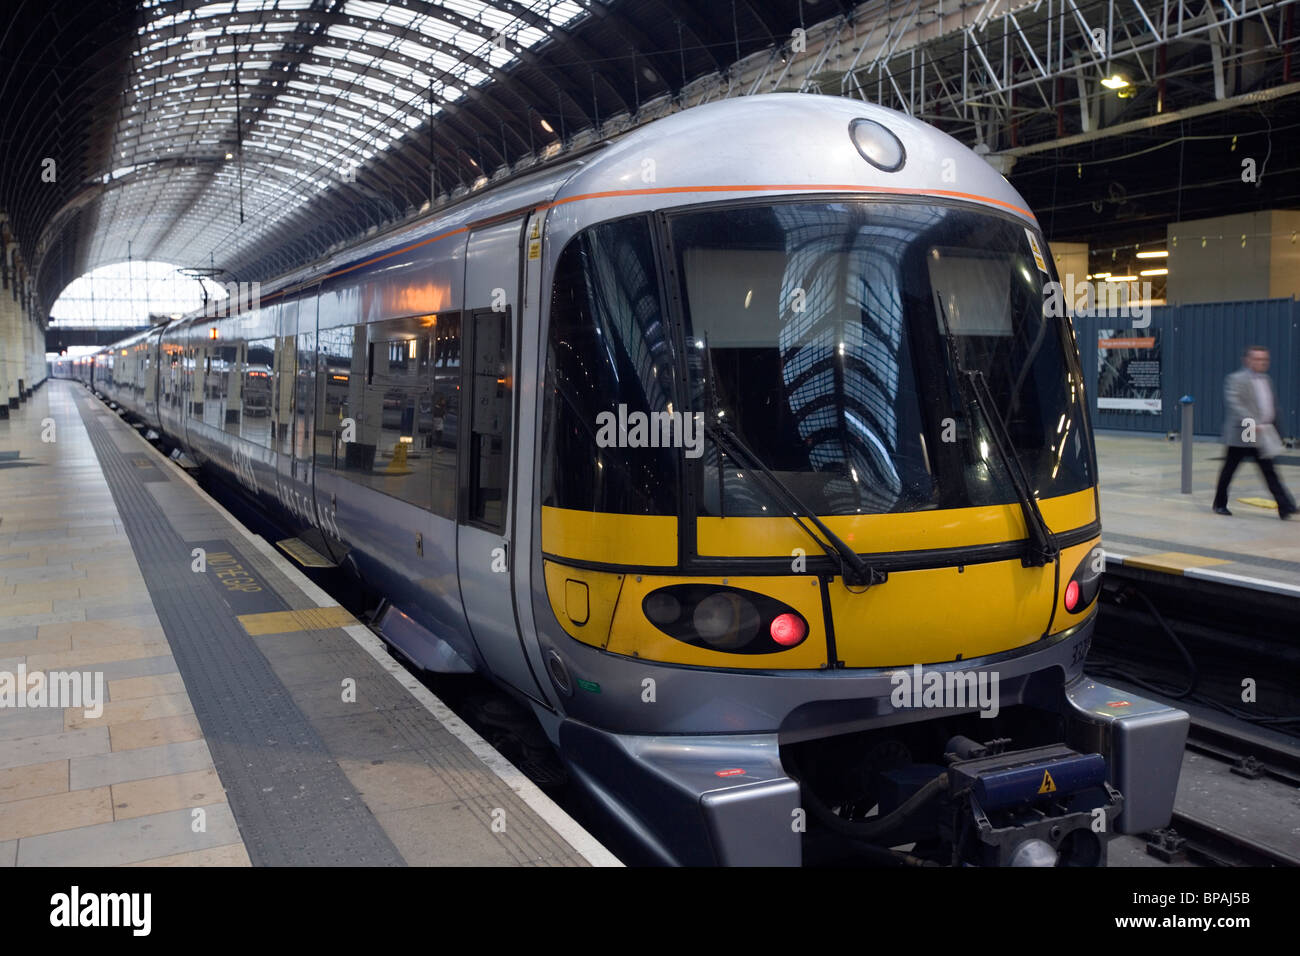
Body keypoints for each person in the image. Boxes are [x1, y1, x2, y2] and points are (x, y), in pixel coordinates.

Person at [1212, 346, 1294, 519]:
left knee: (1269, 470)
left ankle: (1285, 506)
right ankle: (1219, 503)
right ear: (1247, 360)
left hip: (1262, 431)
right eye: (1257, 359)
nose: (1262, 363)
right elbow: (1235, 404)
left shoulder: (1267, 380)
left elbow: (1272, 406)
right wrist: (1252, 422)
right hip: (1245, 430)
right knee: (1231, 468)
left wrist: (1278, 431)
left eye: (1264, 359)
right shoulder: (1236, 379)